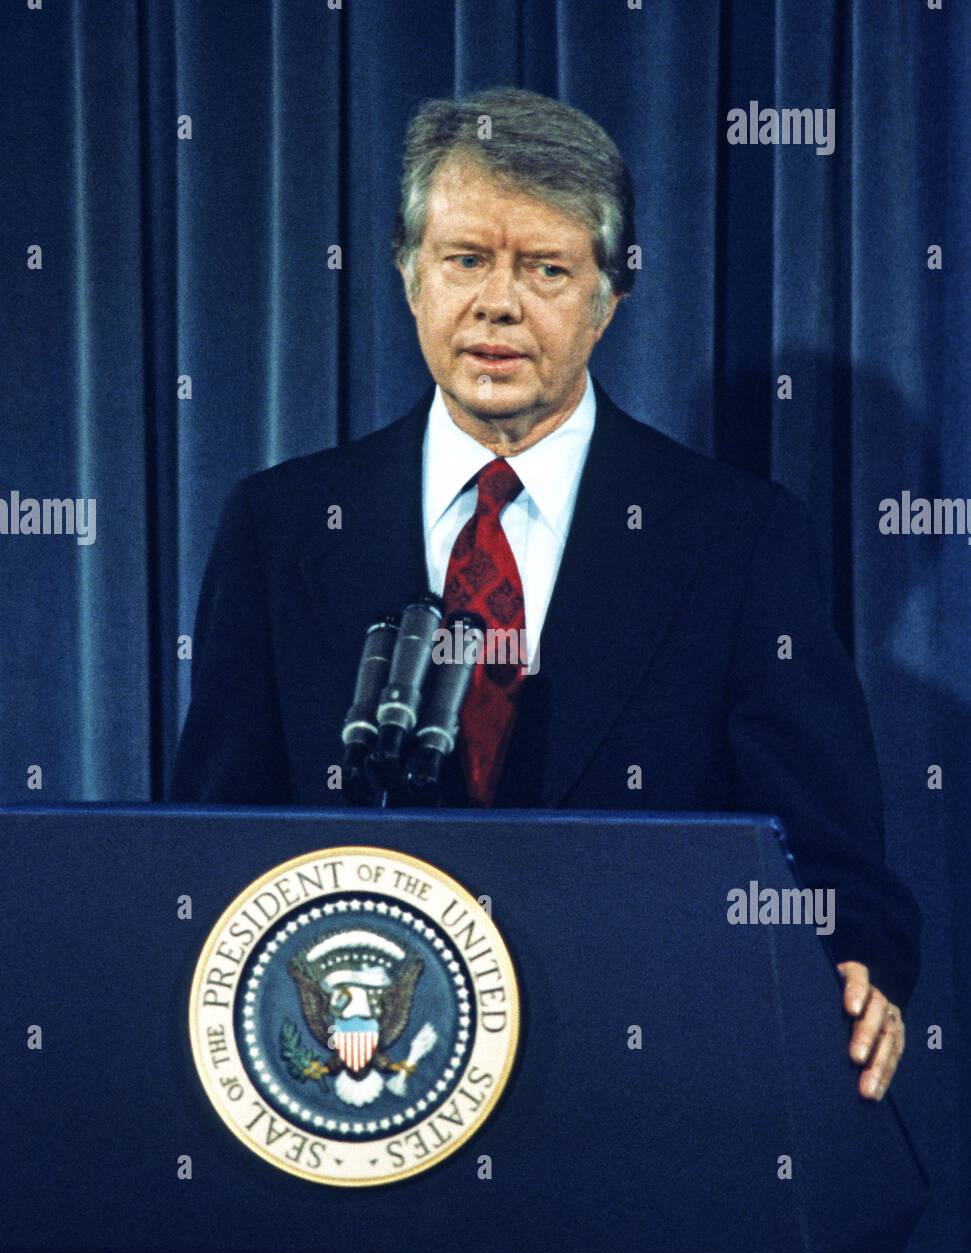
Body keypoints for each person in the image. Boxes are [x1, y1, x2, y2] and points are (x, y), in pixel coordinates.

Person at [170, 88, 919, 1103]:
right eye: (464, 259)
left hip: (640, 1084)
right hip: (357, 1106)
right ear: (405, 274)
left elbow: (826, 859)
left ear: (609, 298)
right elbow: (211, 845)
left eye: (546, 269)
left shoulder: (737, 537)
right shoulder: (281, 526)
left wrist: (854, 966)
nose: (497, 303)